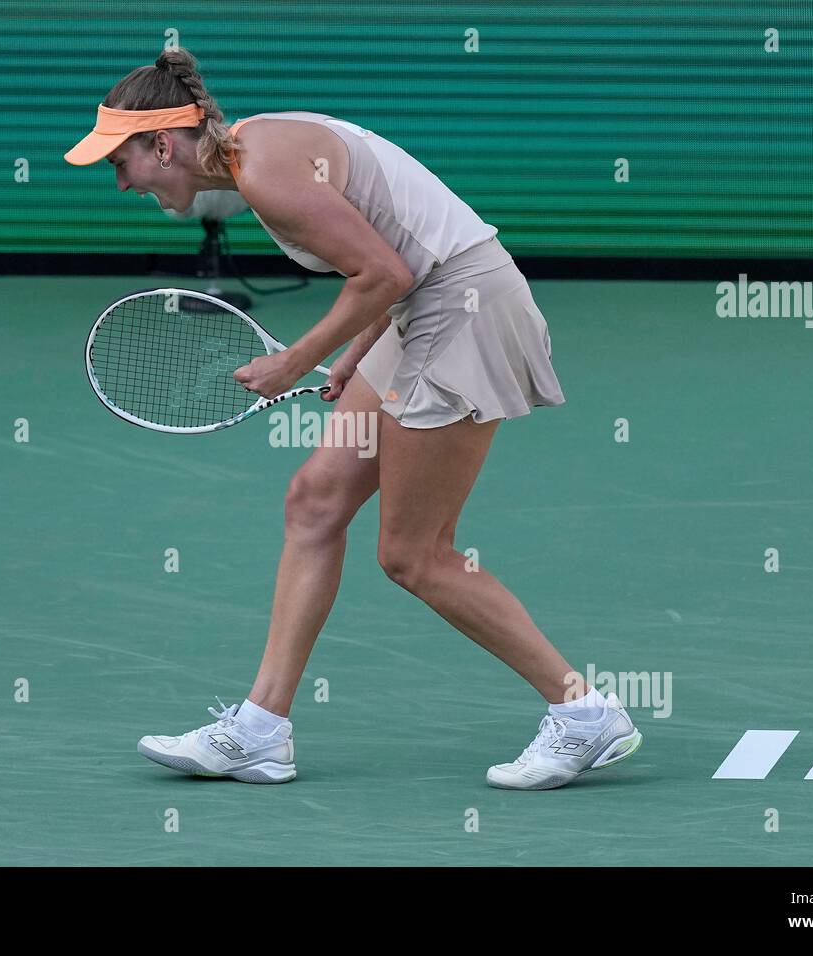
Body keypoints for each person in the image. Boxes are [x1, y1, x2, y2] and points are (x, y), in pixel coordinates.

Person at [64, 48, 642, 789]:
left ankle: (586, 715)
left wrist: (293, 360)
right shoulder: (260, 151)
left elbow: (389, 273)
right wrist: (355, 352)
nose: (120, 183)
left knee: (414, 554)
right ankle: (260, 731)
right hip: (423, 308)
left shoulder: (268, 172)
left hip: (462, 312)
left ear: (163, 145)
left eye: (121, 164)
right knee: (315, 502)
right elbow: (391, 256)